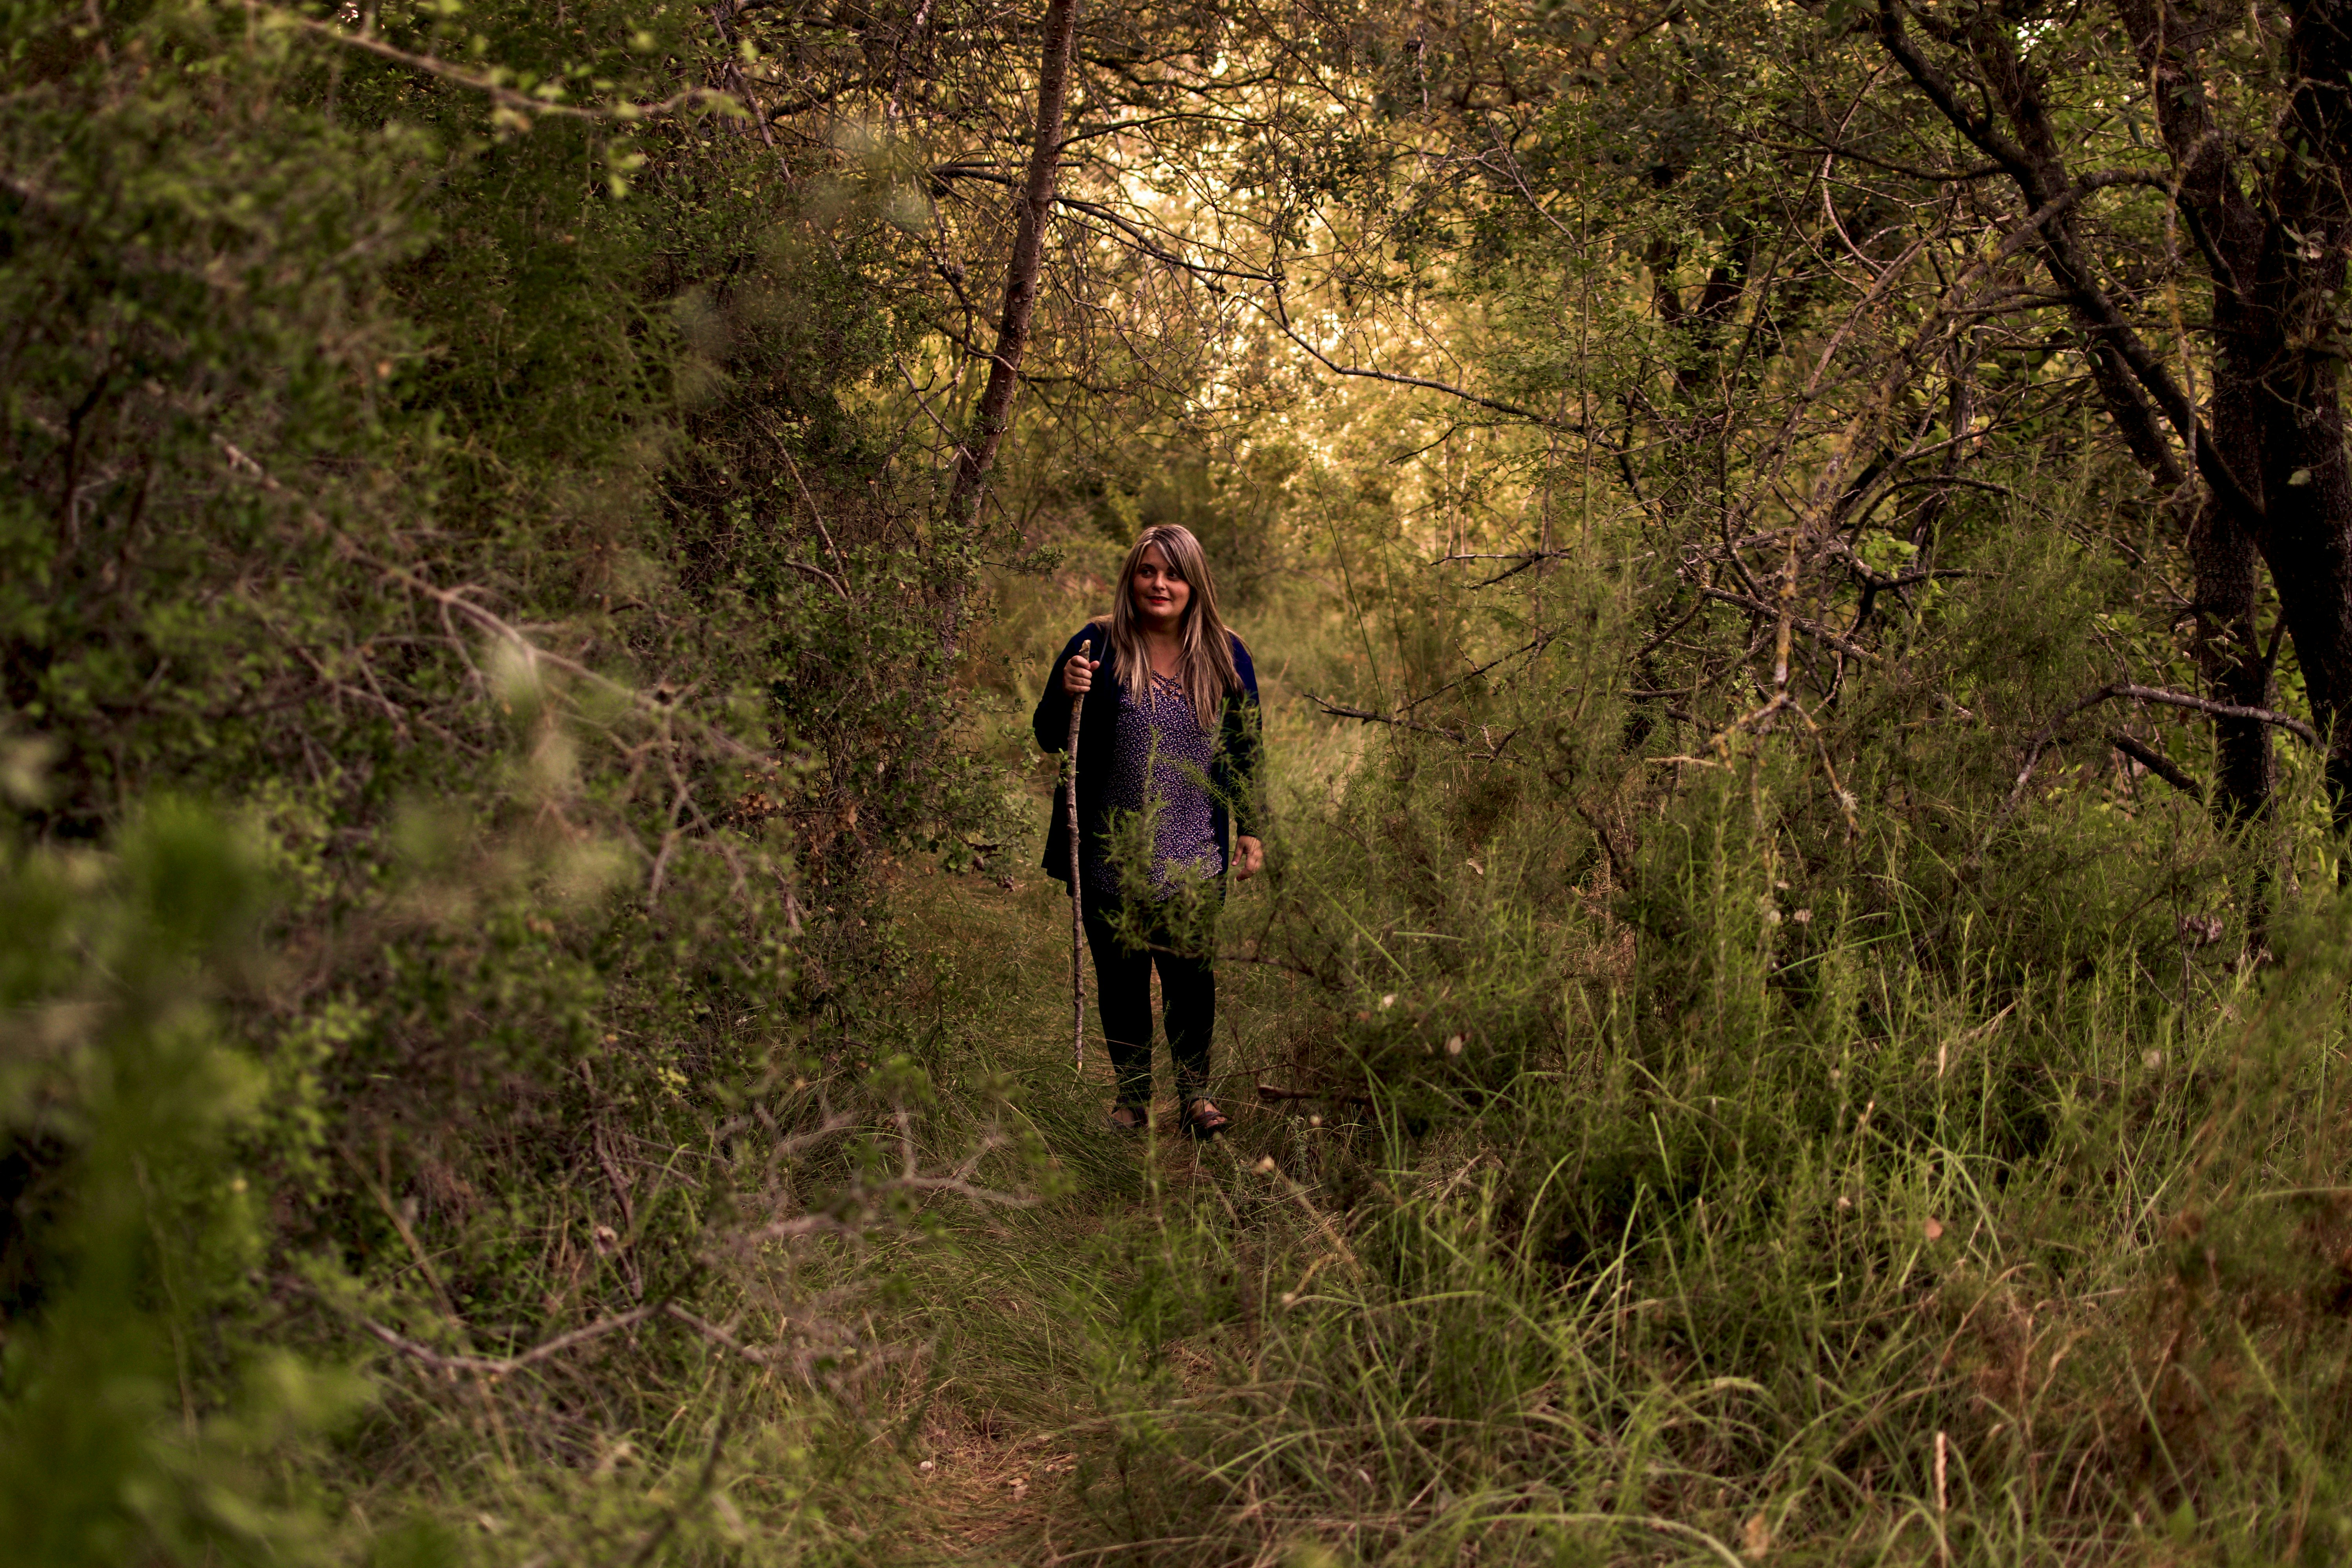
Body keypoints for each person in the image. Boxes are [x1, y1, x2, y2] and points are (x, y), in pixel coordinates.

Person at [1032, 524, 1264, 1138]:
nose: (1159, 584)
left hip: (1195, 851)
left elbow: (1245, 749)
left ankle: (1195, 1096)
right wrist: (1065, 691)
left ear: (1195, 583)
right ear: (1131, 577)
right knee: (1123, 982)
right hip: (1113, 853)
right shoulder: (1096, 644)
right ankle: (1133, 1099)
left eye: (1174, 573)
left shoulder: (1225, 652)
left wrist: (1252, 828)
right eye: (1147, 571)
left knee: (1191, 982)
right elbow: (1049, 733)